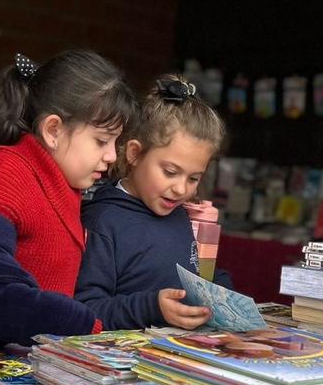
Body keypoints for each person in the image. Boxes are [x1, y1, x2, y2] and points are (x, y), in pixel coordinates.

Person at [0, 50, 202, 347]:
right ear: (53, 130)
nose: (109, 155)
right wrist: (78, 322)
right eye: (101, 141)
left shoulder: (65, 184)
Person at [75, 75, 226, 330]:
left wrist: (224, 292)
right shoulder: (103, 221)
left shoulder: (181, 215)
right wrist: (152, 308)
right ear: (134, 153)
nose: (180, 189)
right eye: (169, 172)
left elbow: (201, 276)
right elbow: (87, 308)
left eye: (194, 178)